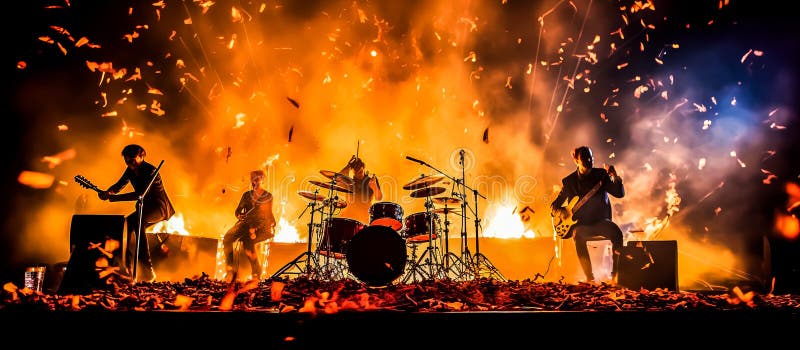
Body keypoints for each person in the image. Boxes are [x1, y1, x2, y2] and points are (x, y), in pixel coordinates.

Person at [97, 144, 175, 283]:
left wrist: (115, 198)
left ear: (141, 156)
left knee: (139, 224)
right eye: (127, 161)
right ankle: (125, 265)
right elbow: (119, 185)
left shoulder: (151, 171)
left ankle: (148, 269)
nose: (129, 164)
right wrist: (108, 192)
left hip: (159, 208)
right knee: (125, 226)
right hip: (144, 208)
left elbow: (140, 194)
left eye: (132, 160)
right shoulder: (130, 170)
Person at [550, 146, 625, 283]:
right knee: (577, 234)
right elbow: (554, 206)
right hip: (581, 224)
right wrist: (560, 211)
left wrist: (616, 178)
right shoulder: (569, 182)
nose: (589, 161)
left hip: (601, 222)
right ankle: (589, 277)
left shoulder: (601, 175)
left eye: (591, 158)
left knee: (617, 233)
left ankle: (616, 276)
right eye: (585, 160)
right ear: (576, 161)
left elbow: (619, 194)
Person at [222, 169, 276, 282]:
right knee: (227, 238)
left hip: (261, 226)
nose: (255, 180)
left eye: (257, 178)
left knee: (248, 243)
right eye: (253, 178)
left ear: (262, 179)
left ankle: (256, 273)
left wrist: (256, 228)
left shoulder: (267, 196)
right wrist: (239, 216)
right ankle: (230, 270)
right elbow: (237, 211)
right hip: (245, 224)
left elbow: (267, 215)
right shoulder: (246, 195)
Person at [338, 156, 382, 223]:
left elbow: (379, 198)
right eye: (356, 173)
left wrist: (374, 187)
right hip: (349, 213)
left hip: (365, 215)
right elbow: (337, 179)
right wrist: (348, 165)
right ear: (352, 171)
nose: (359, 175)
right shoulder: (350, 182)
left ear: (363, 168)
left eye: (360, 172)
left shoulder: (371, 181)